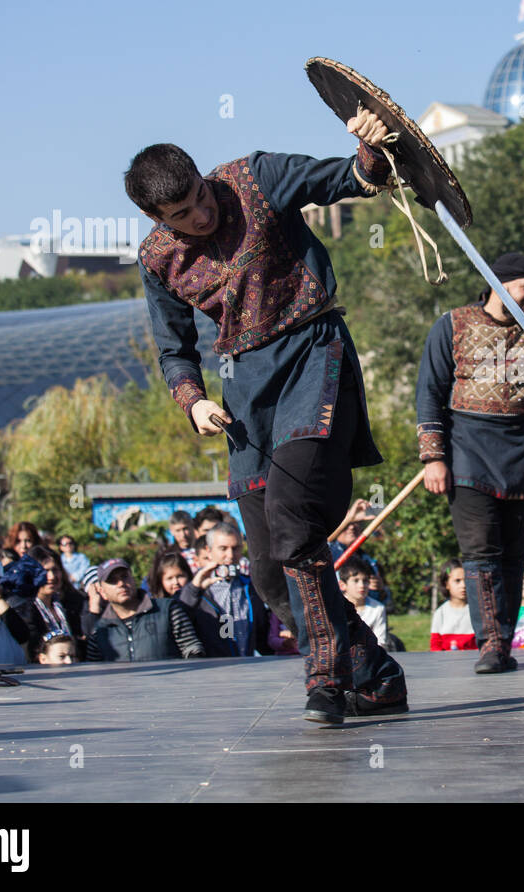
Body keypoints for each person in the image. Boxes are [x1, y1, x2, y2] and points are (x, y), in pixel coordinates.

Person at [126, 112, 407, 723]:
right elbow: (173, 348)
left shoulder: (255, 177)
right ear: (158, 221)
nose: (202, 215)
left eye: (200, 197)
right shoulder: (154, 259)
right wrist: (192, 399)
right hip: (241, 392)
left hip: (313, 354)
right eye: (183, 215)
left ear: (204, 177)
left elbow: (349, 179)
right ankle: (378, 674)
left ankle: (325, 680)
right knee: (268, 572)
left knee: (292, 521)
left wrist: (369, 145)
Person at [417, 251, 524, 674]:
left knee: (513, 553)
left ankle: (503, 642)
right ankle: (490, 643)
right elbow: (429, 392)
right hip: (467, 452)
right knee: (480, 551)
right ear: (500, 285)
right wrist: (433, 456)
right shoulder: (451, 324)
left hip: (523, 453)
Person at [176, 523, 270, 657]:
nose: (230, 555)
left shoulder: (250, 587)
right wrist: (195, 588)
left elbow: (262, 635)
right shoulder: (198, 590)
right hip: (213, 670)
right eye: (223, 548)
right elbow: (179, 615)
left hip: (248, 668)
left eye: (235, 548)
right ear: (209, 551)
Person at [84, 559, 205, 662]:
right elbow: (95, 671)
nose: (121, 583)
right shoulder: (99, 631)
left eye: (124, 577)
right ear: (102, 591)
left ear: (133, 579)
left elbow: (192, 649)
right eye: (112, 581)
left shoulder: (167, 609)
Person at [339, 555, 387, 647]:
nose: (362, 585)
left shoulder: (377, 609)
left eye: (365, 581)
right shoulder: (336, 607)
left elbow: (381, 642)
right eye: (356, 581)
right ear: (342, 585)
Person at [430, 561, 476, 651]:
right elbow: (435, 646)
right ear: (446, 584)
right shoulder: (440, 613)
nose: (463, 585)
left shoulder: (477, 611)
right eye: (457, 581)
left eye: (466, 580)